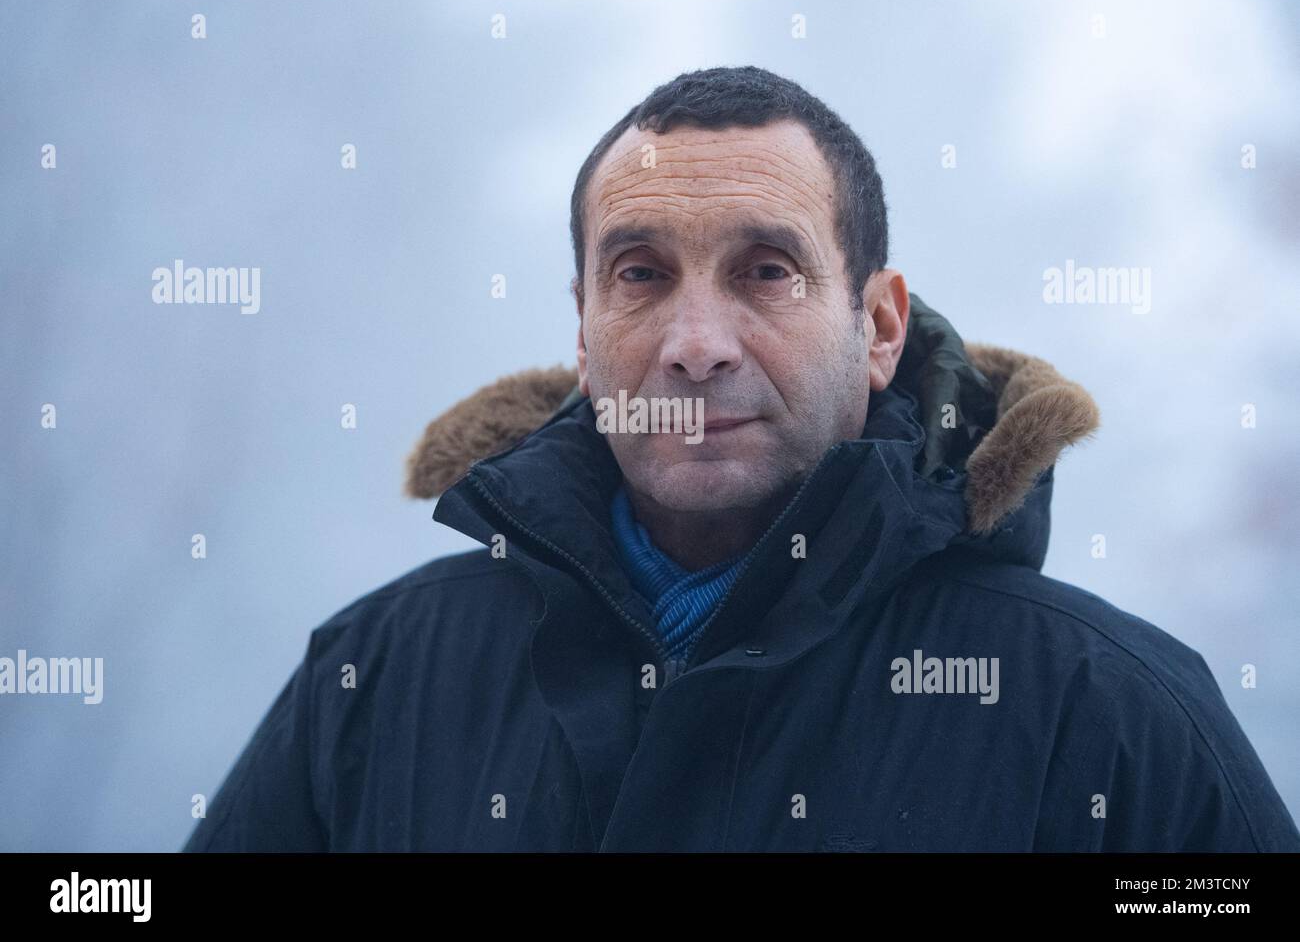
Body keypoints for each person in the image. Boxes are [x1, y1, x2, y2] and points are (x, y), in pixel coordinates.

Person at [184, 66, 1299, 852]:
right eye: (640, 274)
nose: (695, 344)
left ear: (878, 327)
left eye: (766, 270)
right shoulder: (378, 676)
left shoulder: (1108, 710)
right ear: (584, 331)